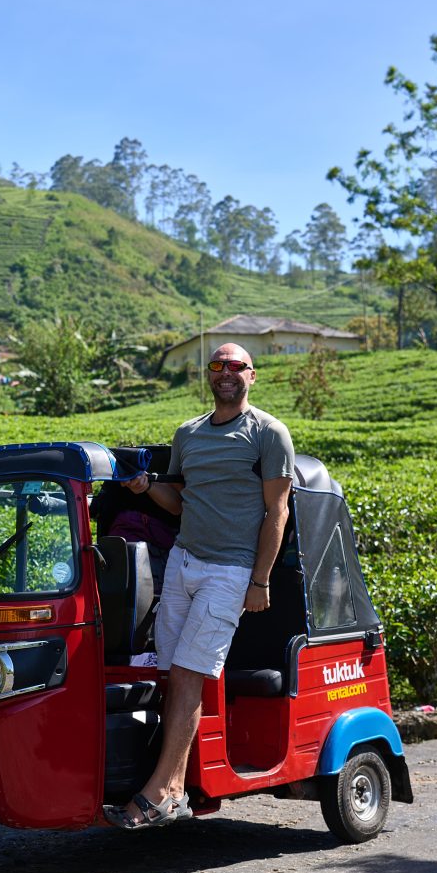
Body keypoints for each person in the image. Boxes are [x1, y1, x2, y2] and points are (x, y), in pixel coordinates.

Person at [104, 342, 294, 829]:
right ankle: (178, 787)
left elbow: (277, 512)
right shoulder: (187, 433)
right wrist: (146, 487)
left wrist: (259, 580)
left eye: (236, 366)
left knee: (189, 675)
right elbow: (180, 503)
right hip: (183, 562)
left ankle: (161, 792)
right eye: (217, 365)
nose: (226, 373)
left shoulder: (268, 433)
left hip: (230, 571)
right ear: (208, 375)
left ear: (252, 375)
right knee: (172, 673)